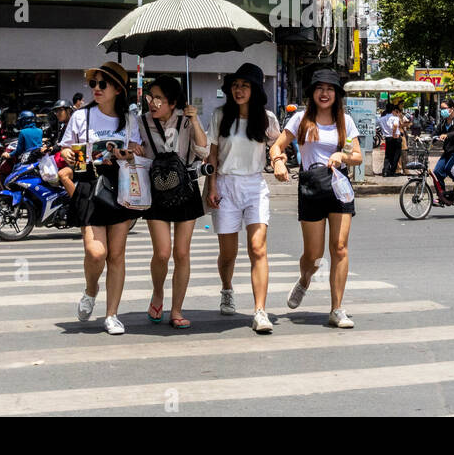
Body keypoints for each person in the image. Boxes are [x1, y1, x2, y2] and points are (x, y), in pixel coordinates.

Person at [270, 68, 363, 329]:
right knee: (314, 255)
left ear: (337, 94)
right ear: (312, 93)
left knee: (340, 247)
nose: (325, 93)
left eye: (330, 89)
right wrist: (278, 162)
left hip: (339, 185)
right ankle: (304, 280)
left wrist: (342, 156)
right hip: (311, 185)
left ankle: (337, 309)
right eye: (320, 88)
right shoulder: (300, 119)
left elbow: (357, 156)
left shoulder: (345, 121)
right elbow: (277, 145)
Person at [62, 61, 141, 336]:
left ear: (118, 89)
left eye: (102, 84)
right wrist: (68, 156)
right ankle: (91, 289)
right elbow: (66, 152)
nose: (96, 88)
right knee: (96, 252)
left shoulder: (130, 120)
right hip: (89, 185)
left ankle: (112, 314)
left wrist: (130, 154)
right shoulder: (80, 117)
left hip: (120, 188)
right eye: (93, 83)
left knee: (117, 255)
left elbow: (138, 152)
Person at [209, 63, 280, 333]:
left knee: (258, 248)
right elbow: (212, 156)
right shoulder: (219, 115)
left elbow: (276, 145)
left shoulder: (267, 118)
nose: (239, 90)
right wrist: (212, 187)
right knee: (228, 253)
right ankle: (227, 289)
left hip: (254, 186)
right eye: (235, 86)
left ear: (255, 89)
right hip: (226, 185)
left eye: (245, 85)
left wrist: (279, 160)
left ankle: (260, 311)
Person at [136, 75, 209, 331]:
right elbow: (135, 151)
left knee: (181, 253)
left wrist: (195, 119)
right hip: (155, 192)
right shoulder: (141, 123)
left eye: (158, 99)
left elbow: (203, 151)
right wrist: (132, 150)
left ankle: (176, 309)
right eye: (150, 97)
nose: (152, 104)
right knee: (163, 252)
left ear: (172, 102)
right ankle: (158, 293)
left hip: (186, 190)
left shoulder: (187, 121)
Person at [379, 103, 404, 176]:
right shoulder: (394, 117)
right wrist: (393, 134)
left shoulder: (382, 119)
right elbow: (395, 125)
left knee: (388, 155)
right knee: (396, 155)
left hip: (387, 138)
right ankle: (392, 171)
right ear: (393, 110)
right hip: (395, 138)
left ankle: (386, 171)